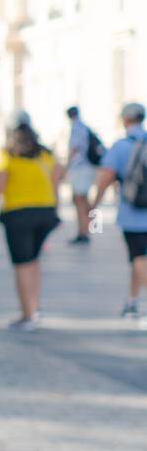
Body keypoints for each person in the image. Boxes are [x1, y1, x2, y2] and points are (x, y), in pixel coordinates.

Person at [0, 110, 63, 331]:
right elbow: (56, 183)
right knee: (34, 261)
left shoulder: (6, 154)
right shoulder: (46, 153)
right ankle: (34, 308)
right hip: (45, 212)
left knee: (22, 265)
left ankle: (27, 316)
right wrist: (57, 210)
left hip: (18, 214)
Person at [90, 102, 147, 324]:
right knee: (138, 259)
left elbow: (106, 177)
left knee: (138, 259)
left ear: (125, 119)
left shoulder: (122, 146)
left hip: (132, 215)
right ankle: (131, 302)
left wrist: (94, 205)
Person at [65, 105, 99, 244]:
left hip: (80, 168)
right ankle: (86, 228)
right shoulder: (84, 127)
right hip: (87, 167)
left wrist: (66, 165)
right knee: (83, 199)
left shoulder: (76, 127)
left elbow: (75, 148)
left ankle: (83, 231)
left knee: (78, 200)